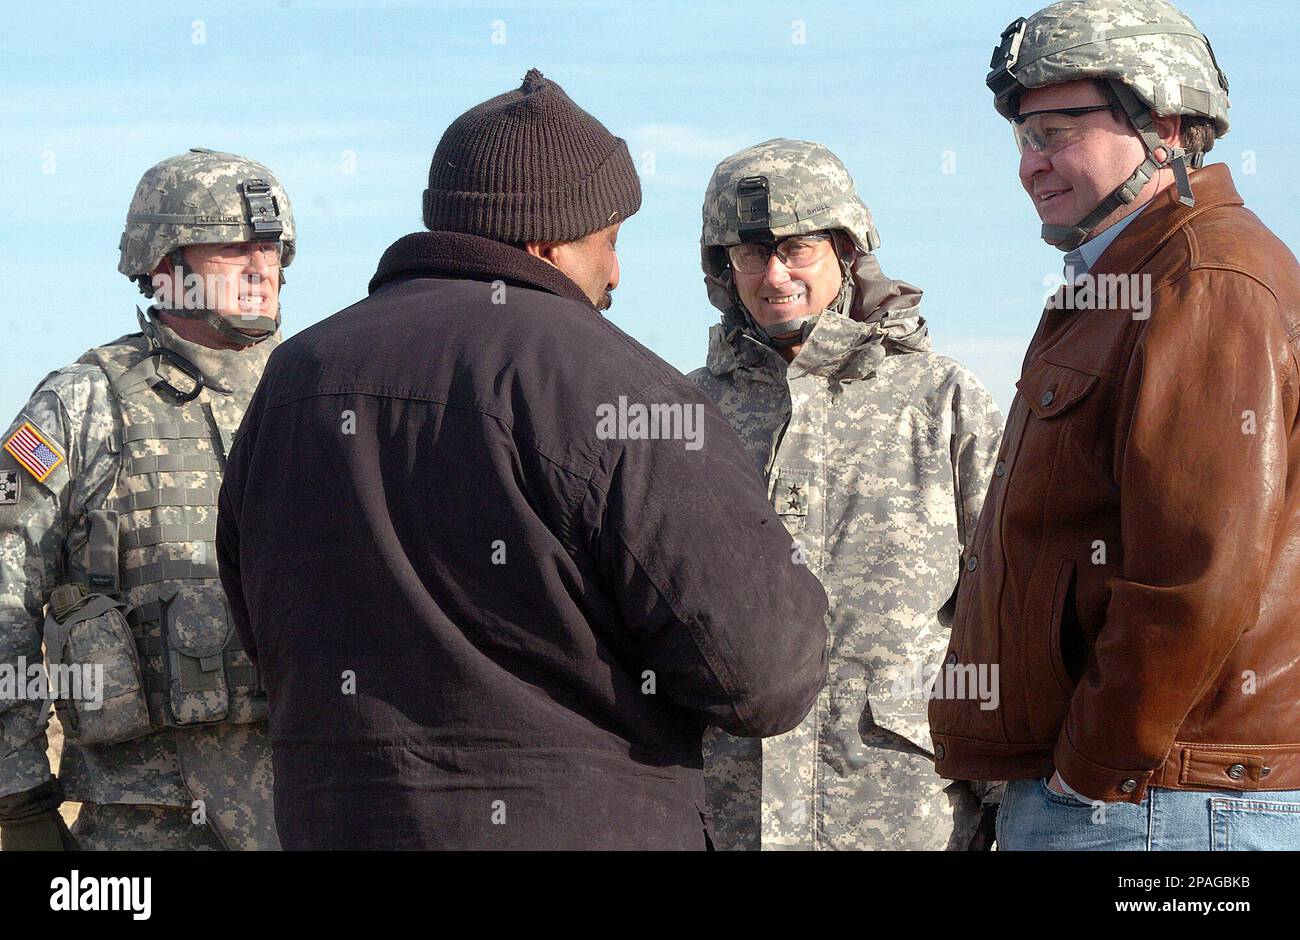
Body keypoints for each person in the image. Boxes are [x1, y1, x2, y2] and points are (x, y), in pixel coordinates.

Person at [216, 69, 829, 850]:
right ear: (547, 241)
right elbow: (760, 681)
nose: (616, 274)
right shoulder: (624, 389)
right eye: (608, 241)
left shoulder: (296, 379)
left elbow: (262, 623)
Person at [930, 0, 1300, 851]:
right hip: (1125, 798)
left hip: (1156, 805)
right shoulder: (1124, 283)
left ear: (1163, 124)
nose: (1033, 164)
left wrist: (1090, 767)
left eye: (1059, 131)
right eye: (1024, 138)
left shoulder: (1203, 278)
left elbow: (1195, 572)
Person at [689, 139, 1004, 850]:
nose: (774, 276)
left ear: (846, 249)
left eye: (797, 248)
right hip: (727, 811)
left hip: (906, 809)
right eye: (748, 254)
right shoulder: (688, 413)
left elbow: (1008, 607)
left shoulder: (942, 402)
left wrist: (1005, 791)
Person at [0, 148, 293, 850]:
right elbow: (5, 592)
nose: (262, 266)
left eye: (272, 245)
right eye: (231, 248)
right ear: (165, 267)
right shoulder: (81, 404)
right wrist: (18, 796)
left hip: (316, 810)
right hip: (144, 825)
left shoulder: (325, 394)